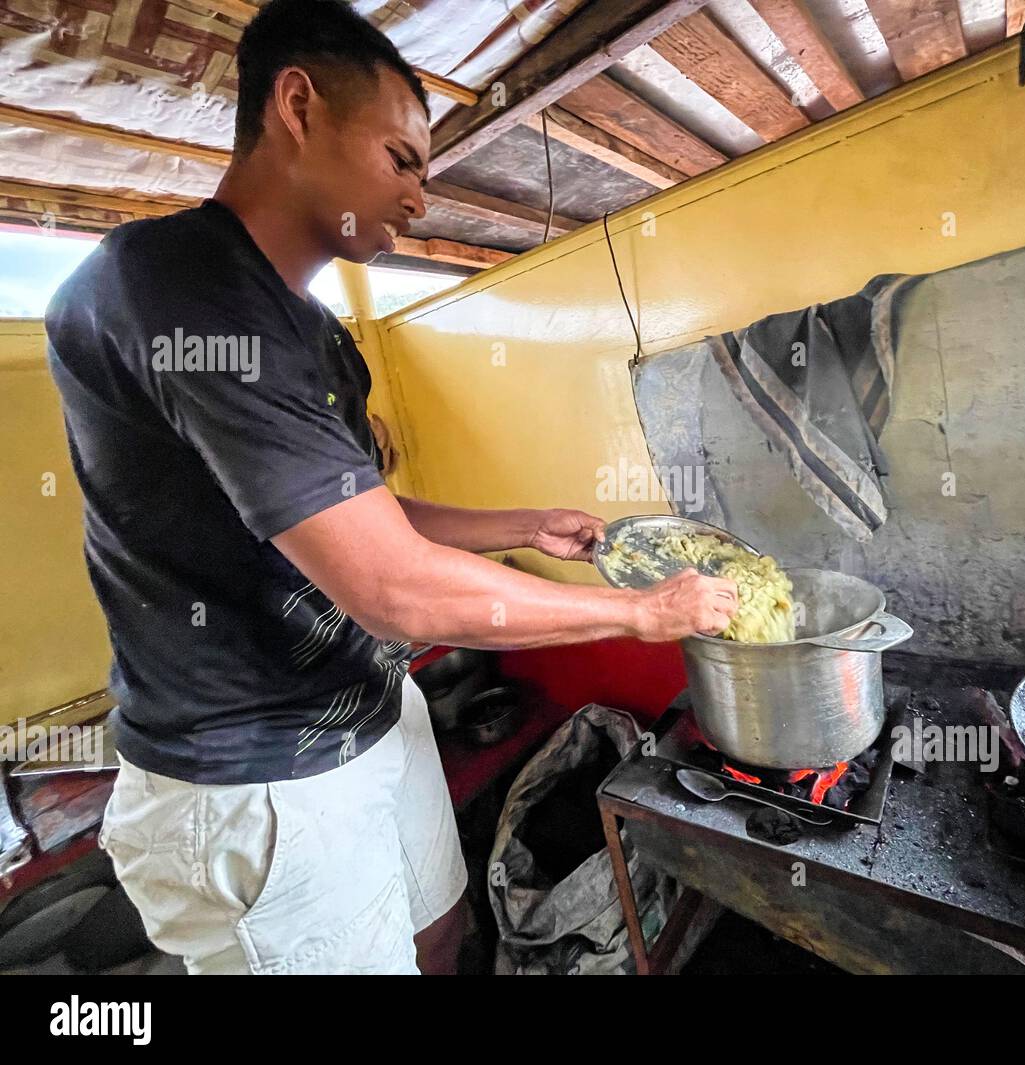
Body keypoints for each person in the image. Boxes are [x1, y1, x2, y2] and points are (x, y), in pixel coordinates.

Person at [44, 0, 737, 975]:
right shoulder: (171, 284)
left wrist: (526, 524)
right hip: (259, 773)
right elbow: (388, 585)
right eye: (403, 159)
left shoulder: (317, 334)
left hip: (369, 703)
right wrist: (638, 612)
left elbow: (355, 517)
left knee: (440, 935)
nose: (421, 195)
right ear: (299, 107)